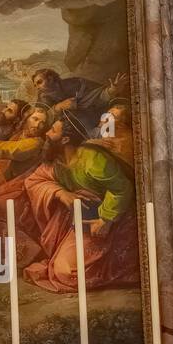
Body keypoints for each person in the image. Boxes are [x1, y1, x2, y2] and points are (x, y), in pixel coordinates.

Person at [17, 111, 138, 292]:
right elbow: (34, 181)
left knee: (68, 273)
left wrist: (105, 219)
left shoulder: (92, 159)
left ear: (65, 140)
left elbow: (122, 189)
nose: (47, 133)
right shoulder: (56, 161)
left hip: (112, 222)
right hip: (80, 222)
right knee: (64, 270)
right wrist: (60, 193)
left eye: (52, 130)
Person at [31, 66, 124, 137]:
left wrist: (112, 90)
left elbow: (98, 97)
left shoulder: (76, 83)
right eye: (35, 85)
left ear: (50, 78)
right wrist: (58, 107)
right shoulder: (43, 99)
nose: (37, 87)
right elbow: (40, 121)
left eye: (39, 82)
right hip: (75, 129)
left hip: (97, 113)